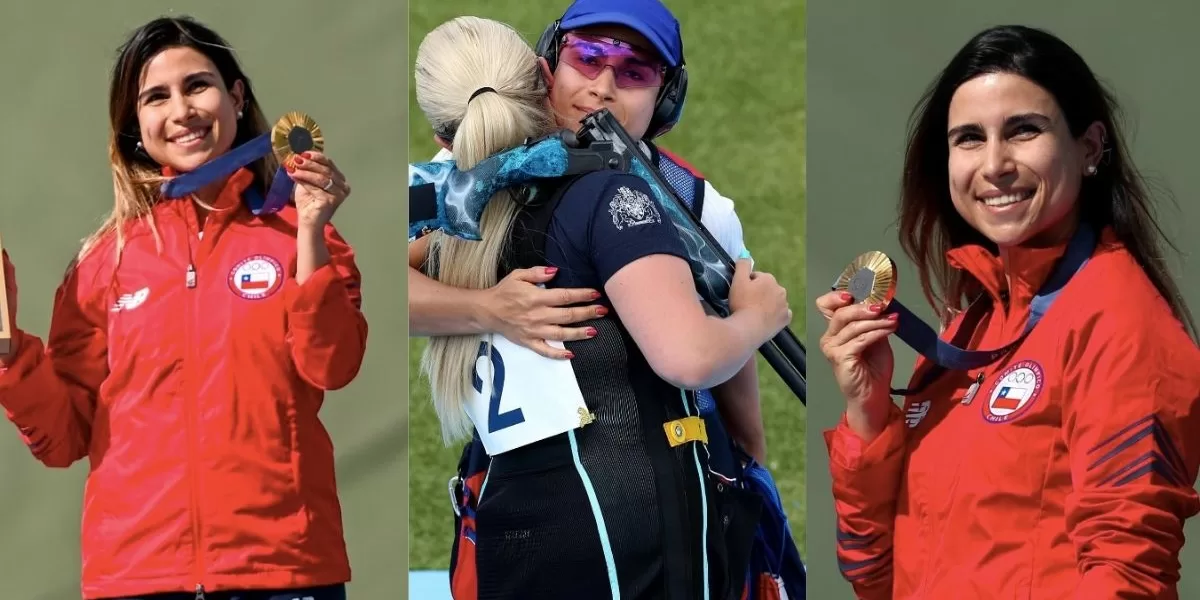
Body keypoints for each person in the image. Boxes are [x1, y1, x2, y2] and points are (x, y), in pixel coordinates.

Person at [412, 15, 791, 600]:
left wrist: (748, 468)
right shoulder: (619, 194)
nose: (603, 87)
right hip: (625, 520)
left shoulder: (453, 184)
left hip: (517, 513)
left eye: (634, 71)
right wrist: (487, 307)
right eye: (588, 58)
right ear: (545, 70)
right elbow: (697, 353)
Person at [816, 24, 1200, 599]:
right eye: (969, 138)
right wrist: (868, 411)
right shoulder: (976, 323)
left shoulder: (1121, 324)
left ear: (1089, 147)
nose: (994, 164)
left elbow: (1128, 578)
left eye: (1023, 131)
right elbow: (876, 574)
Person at [0, 16, 365, 600]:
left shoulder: (299, 233)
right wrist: (9, 355)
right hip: (137, 577)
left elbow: (333, 365)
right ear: (135, 127)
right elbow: (67, 436)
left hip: (285, 570)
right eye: (156, 97)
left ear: (236, 97)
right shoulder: (102, 264)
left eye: (198, 85)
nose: (182, 110)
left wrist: (314, 232)